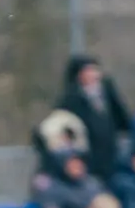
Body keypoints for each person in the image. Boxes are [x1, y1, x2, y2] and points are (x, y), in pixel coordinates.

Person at [56, 55, 130, 183]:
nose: (92, 75)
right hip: (88, 159)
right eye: (87, 71)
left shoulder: (107, 92)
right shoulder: (71, 100)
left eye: (94, 70)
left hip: (112, 157)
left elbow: (122, 119)